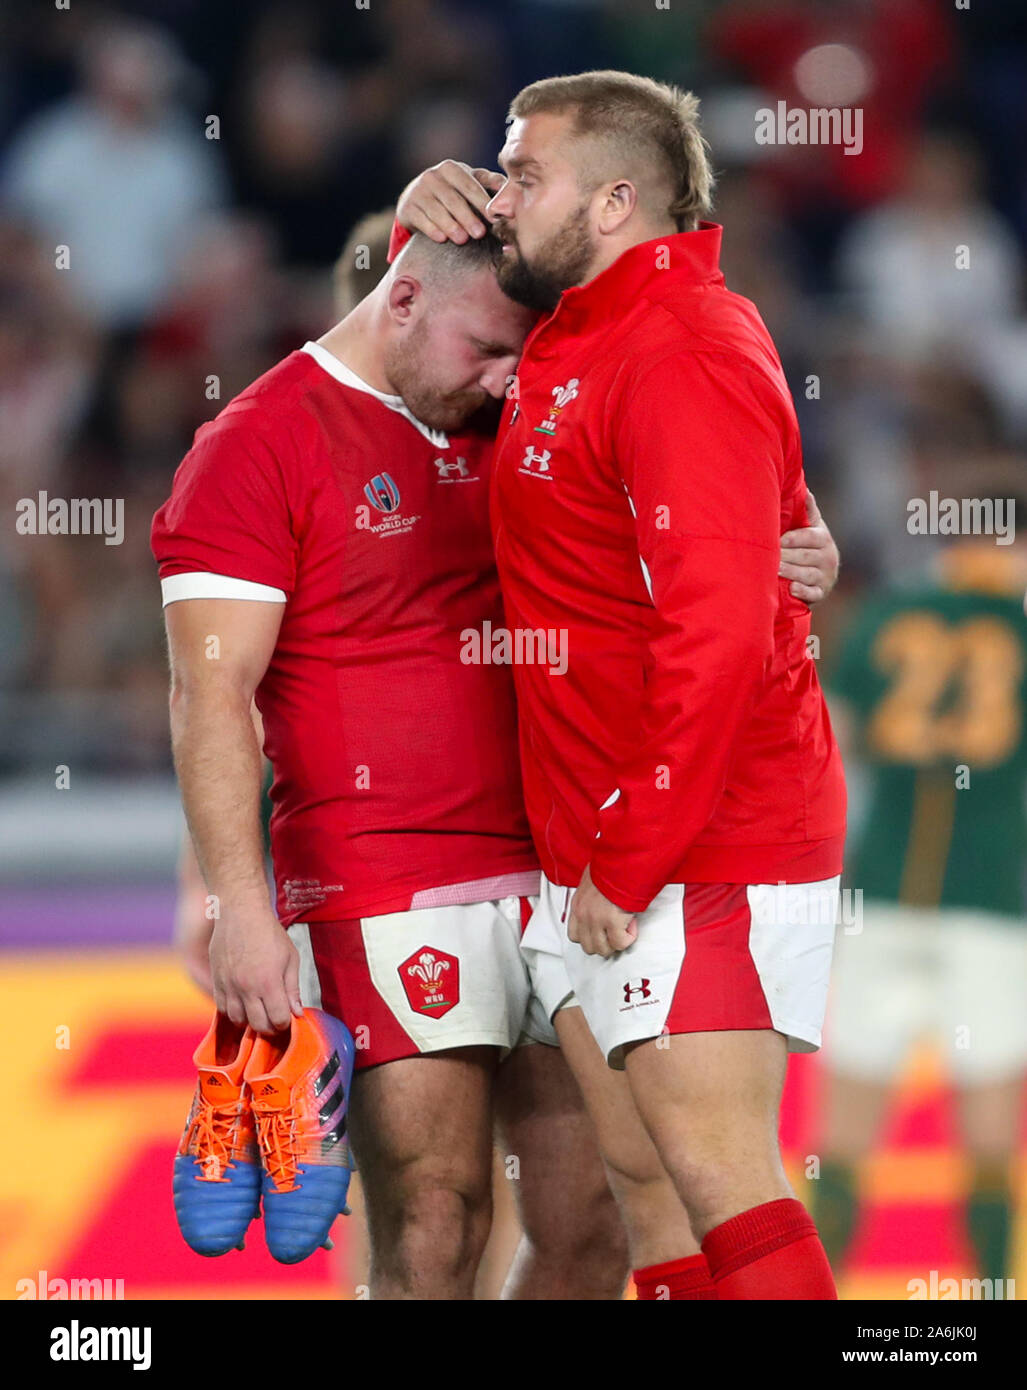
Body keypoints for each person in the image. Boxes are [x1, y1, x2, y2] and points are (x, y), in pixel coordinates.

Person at [154, 183, 840, 1299]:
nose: (500, 379)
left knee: (602, 1217)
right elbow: (209, 698)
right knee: (433, 1221)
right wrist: (235, 905)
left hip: (569, 861)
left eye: (515, 358)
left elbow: (698, 520)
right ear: (404, 296)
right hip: (388, 870)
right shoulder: (253, 446)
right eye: (482, 350)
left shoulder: (528, 411)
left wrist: (807, 550)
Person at [399, 70, 847, 1299]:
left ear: (610, 202)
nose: (500, 195)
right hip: (591, 842)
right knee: (648, 1190)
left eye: (523, 174)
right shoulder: (577, 332)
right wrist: (410, 213)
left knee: (719, 1178)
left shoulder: (680, 345)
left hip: (698, 840)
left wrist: (629, 856)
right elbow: (414, 348)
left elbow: (714, 636)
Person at [819, 510, 1027, 1290]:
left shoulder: (885, 616)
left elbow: (831, 744)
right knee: (988, 1143)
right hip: (989, 897)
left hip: (880, 891)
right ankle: (992, 1302)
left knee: (841, 1136)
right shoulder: (1017, 625)